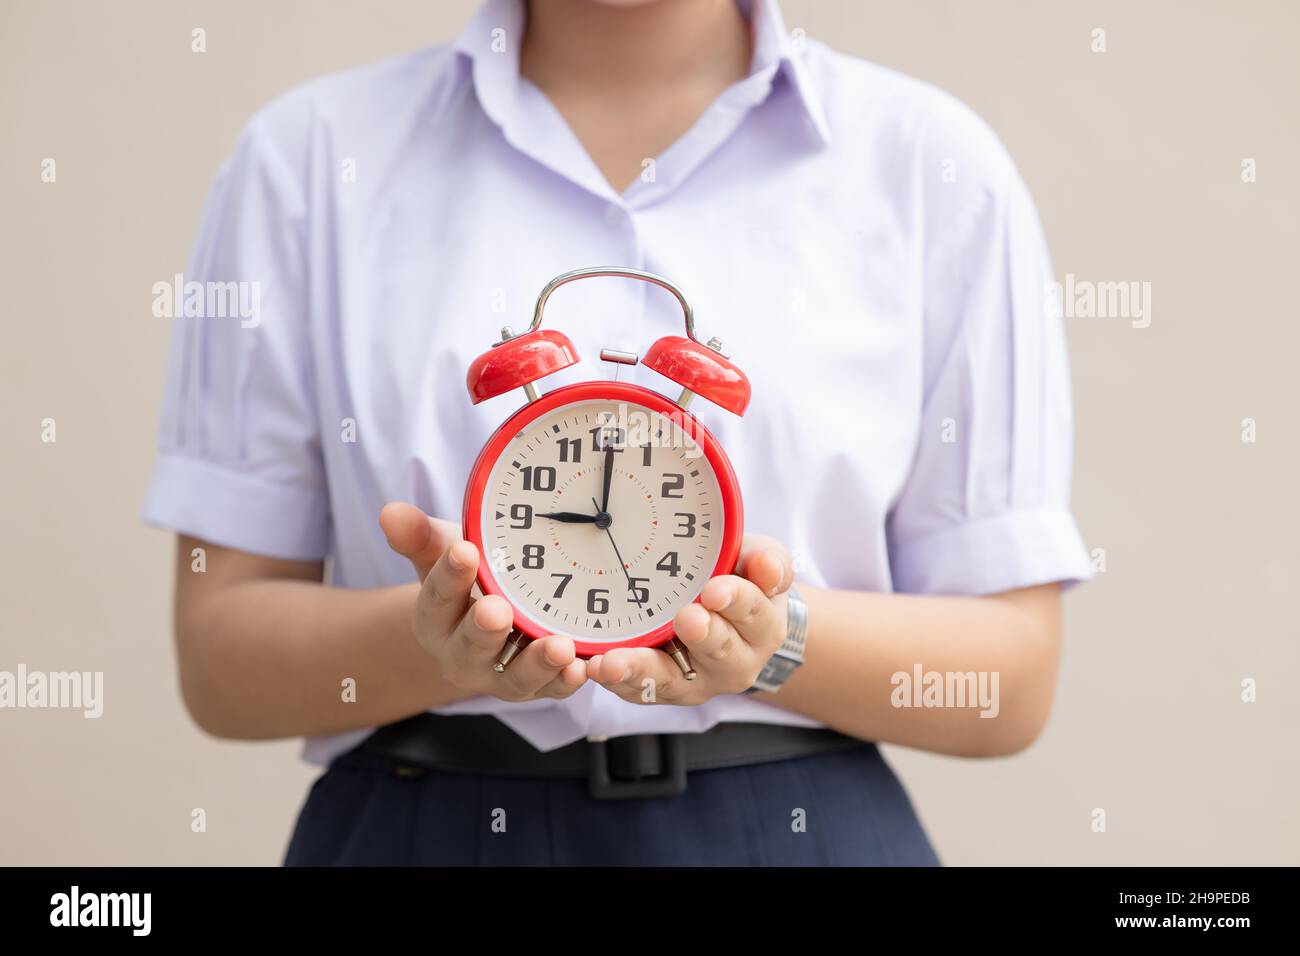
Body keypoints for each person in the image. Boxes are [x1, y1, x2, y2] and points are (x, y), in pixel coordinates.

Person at [143, 0, 1091, 866]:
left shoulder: (932, 164)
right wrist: (433, 637)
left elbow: (1008, 683)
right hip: (423, 829)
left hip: (797, 834)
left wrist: (775, 641)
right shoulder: (306, 158)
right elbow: (221, 664)